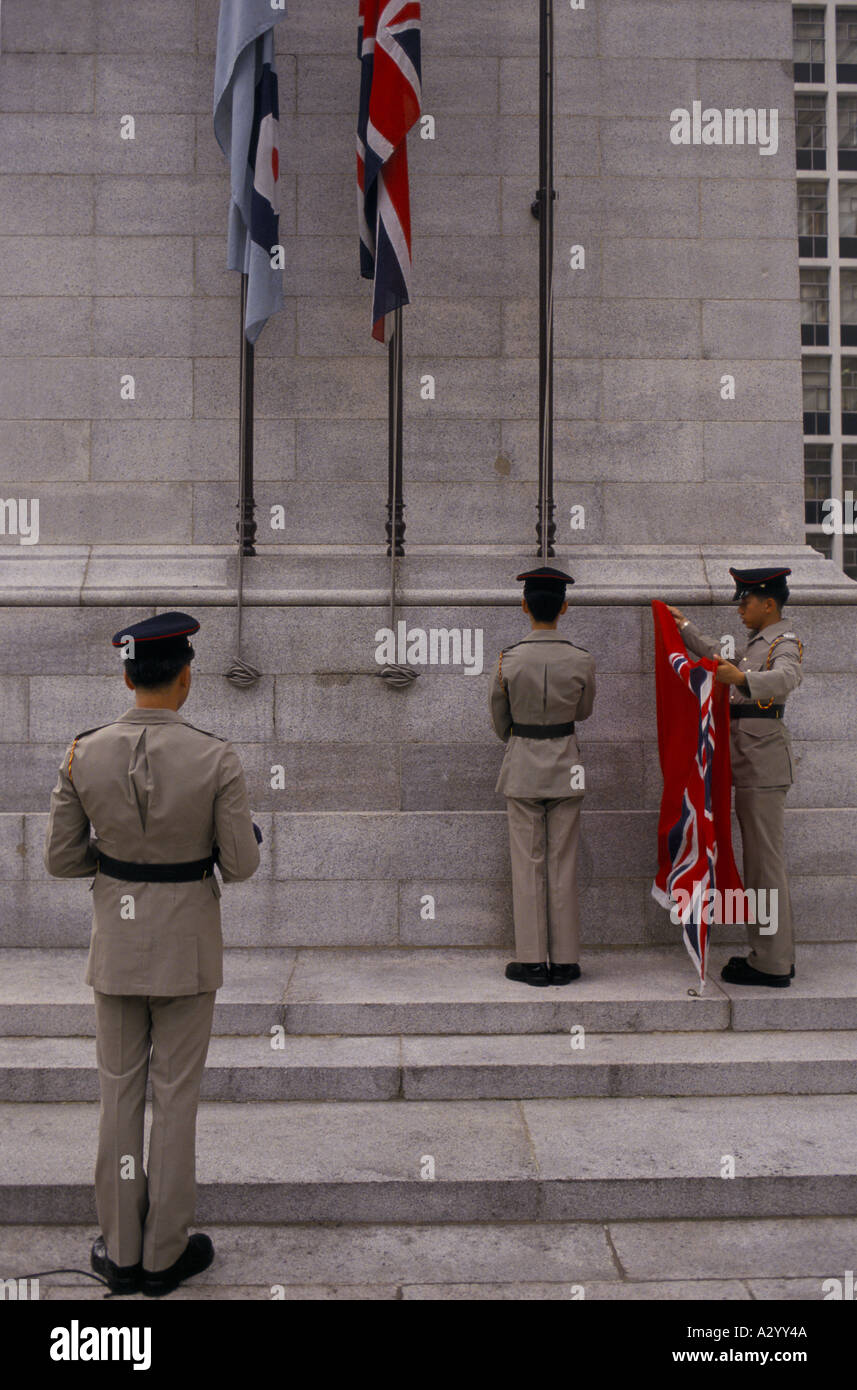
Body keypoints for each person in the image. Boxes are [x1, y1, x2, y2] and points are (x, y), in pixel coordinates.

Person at [43, 612, 260, 1295]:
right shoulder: (216, 756)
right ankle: (166, 1254)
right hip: (186, 948)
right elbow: (241, 865)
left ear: (127, 675)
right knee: (174, 1100)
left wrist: (120, 862)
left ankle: (121, 1251)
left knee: (118, 1096)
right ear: (185, 676)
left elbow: (61, 859)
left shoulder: (83, 752)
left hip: (118, 944)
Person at [668, 566, 803, 988]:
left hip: (763, 766)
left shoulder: (784, 642)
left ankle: (772, 963)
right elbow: (719, 658)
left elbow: (787, 678)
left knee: (764, 866)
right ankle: (772, 954)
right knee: (760, 864)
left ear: (769, 604)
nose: (741, 609)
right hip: (751, 763)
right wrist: (684, 628)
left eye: (746, 602)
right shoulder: (757, 643)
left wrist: (742, 679)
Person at [489, 566, 596, 986]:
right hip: (567, 765)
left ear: (524, 606)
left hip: (523, 766)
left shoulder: (508, 659)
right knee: (562, 863)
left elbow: (499, 719)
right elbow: (583, 712)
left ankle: (532, 961)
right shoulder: (582, 659)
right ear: (564, 608)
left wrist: (522, 739)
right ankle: (566, 962)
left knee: (527, 865)